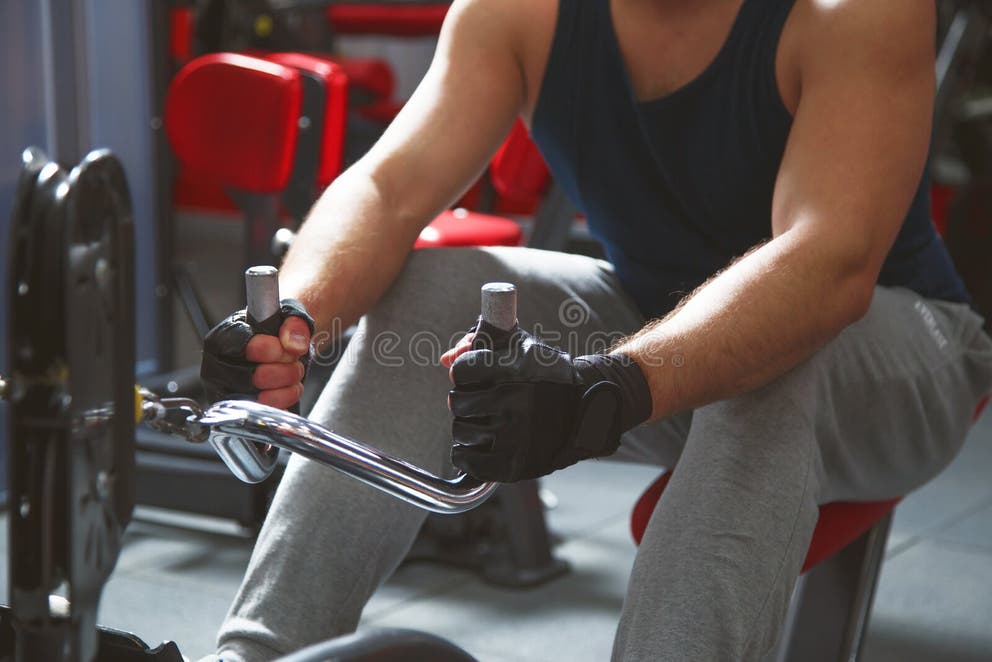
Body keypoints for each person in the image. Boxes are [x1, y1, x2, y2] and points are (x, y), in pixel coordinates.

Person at [199, 0, 992, 660]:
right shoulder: (522, 12)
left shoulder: (852, 11)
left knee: (774, 356)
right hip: (661, 321)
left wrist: (606, 389)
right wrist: (288, 320)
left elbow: (826, 265)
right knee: (443, 287)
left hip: (906, 348)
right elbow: (388, 186)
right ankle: (259, 652)